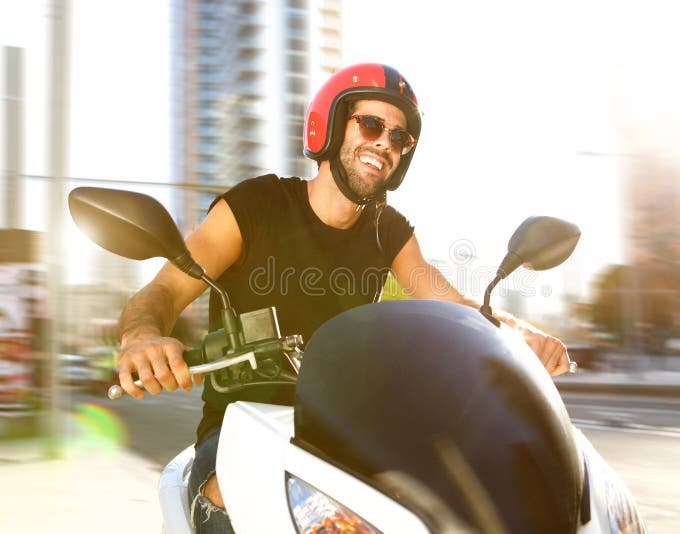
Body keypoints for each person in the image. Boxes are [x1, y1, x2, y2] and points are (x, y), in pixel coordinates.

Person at [116, 63, 571, 532]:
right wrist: (142, 336)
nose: (385, 143)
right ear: (330, 127)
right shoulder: (255, 206)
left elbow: (452, 306)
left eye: (399, 138)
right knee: (234, 497)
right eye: (371, 125)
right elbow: (165, 289)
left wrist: (519, 333)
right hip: (243, 429)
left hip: (342, 428)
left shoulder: (388, 230)